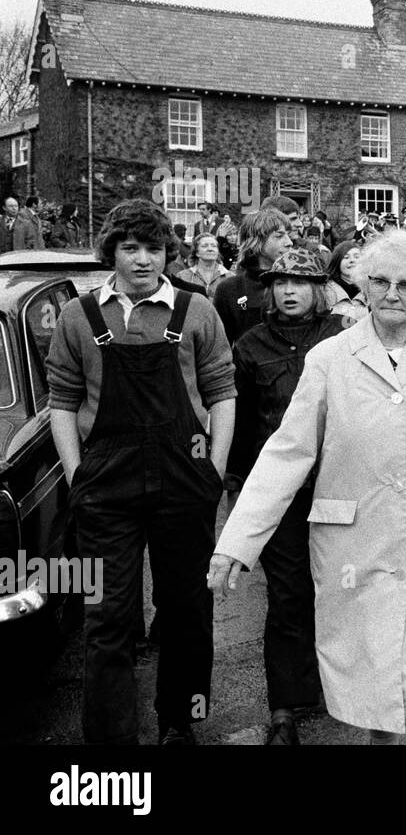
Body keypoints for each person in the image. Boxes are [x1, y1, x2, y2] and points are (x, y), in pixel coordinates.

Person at [209, 231, 406, 745]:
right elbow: (288, 451)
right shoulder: (329, 359)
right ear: (363, 286)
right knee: (379, 688)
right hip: (355, 544)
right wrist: (237, 543)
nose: (393, 294)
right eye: (381, 282)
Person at [46, 200, 235, 744]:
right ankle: (110, 743)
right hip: (107, 484)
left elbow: (222, 389)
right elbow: (63, 397)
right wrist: (77, 474)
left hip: (184, 478)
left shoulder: (196, 310)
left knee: (187, 609)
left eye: (153, 248)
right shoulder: (79, 316)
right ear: (112, 253)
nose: (143, 259)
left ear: (167, 254)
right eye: (130, 248)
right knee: (106, 617)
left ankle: (183, 719)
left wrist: (214, 469)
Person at [226, 249, 345, 745]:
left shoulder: (342, 339)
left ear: (318, 288)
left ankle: (339, 686)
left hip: (341, 487)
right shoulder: (250, 346)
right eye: (279, 282)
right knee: (288, 591)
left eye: (299, 281)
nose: (288, 290)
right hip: (280, 490)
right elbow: (240, 424)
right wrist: (236, 491)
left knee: (341, 587)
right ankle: (283, 709)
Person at [211, 198, 294, 345]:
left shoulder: (299, 282)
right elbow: (221, 348)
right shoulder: (230, 289)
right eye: (279, 236)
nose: (289, 242)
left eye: (288, 235)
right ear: (256, 241)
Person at [173, 232, 233, 298]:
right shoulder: (183, 276)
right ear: (197, 253)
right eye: (205, 246)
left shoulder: (230, 277)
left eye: (214, 246)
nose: (210, 249)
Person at [324, 241, 367, 326]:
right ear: (337, 261)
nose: (352, 260)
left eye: (356, 257)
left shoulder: (370, 289)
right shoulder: (326, 290)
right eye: (346, 257)